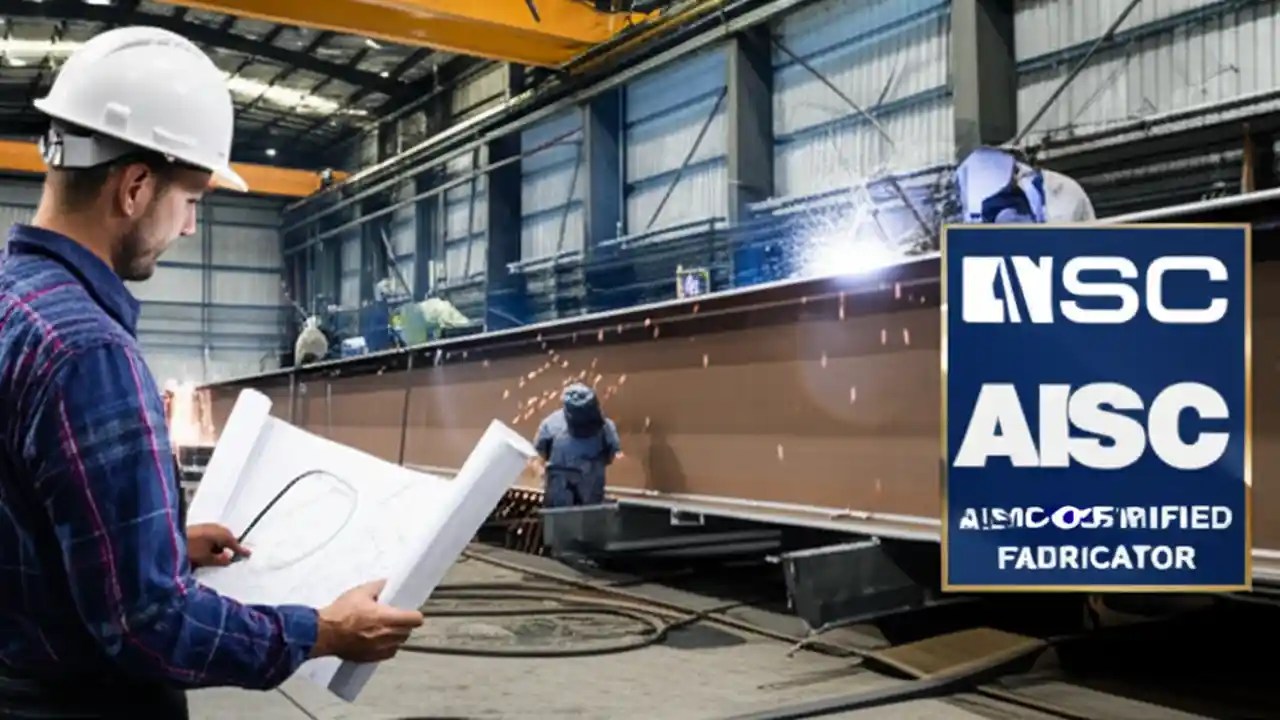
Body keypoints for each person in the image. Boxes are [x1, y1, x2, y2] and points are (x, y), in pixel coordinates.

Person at [0, 26, 424, 719]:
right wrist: (320, 631)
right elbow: (147, 626)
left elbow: (31, 523)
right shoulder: (89, 352)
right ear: (135, 186)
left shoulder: (13, 302)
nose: (192, 227)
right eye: (192, 199)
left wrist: (159, 546)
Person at [534, 383, 622, 508]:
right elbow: (538, 459)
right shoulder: (550, 426)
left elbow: (615, 457)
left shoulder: (605, 428)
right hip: (558, 503)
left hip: (591, 503)